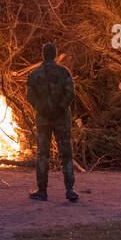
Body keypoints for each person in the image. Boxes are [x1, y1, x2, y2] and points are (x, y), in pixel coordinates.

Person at [25, 42, 78, 203]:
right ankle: (69, 190)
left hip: (43, 120)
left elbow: (30, 97)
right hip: (61, 119)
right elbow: (70, 93)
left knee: (42, 155)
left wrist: (43, 109)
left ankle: (42, 191)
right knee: (66, 154)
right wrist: (59, 108)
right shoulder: (64, 72)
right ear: (55, 54)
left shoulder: (34, 74)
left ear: (43, 55)